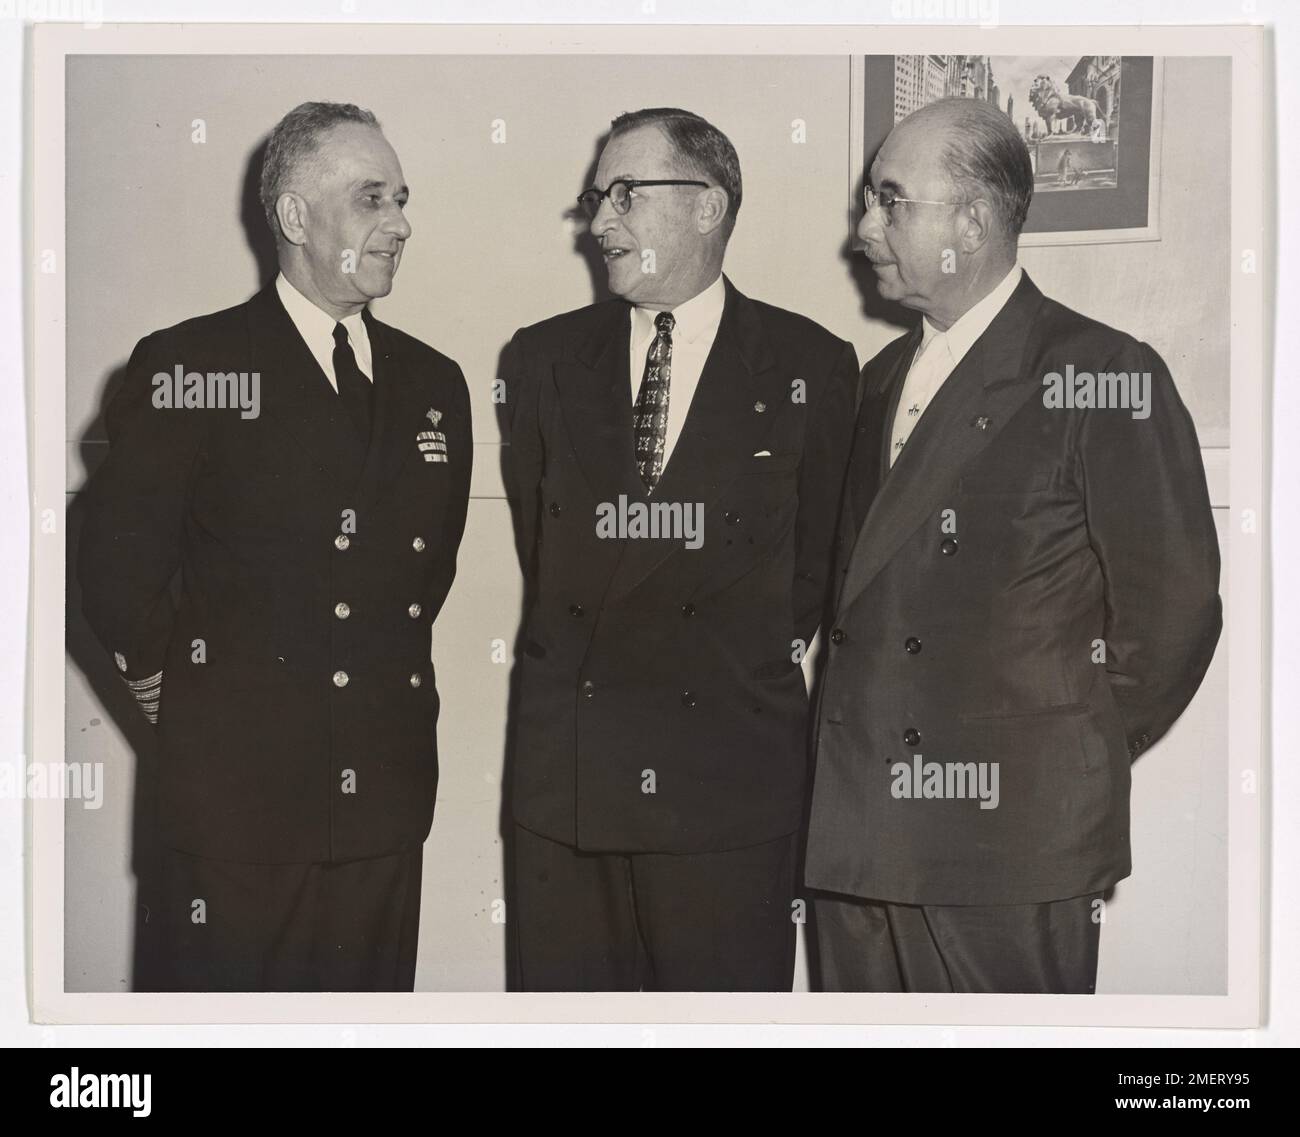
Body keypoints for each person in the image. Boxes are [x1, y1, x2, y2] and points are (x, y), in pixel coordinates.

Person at [805, 97, 1221, 994]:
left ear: (974, 220)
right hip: (859, 838)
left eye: (890, 200)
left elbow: (1176, 610)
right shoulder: (876, 381)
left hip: (1008, 844)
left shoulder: (1103, 373)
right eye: (871, 201)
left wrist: (1058, 754)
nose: (864, 228)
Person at [78, 101, 472, 991]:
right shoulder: (193, 364)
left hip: (382, 803)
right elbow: (113, 564)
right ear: (295, 216)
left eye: (402, 199)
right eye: (371, 198)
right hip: (234, 807)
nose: (400, 224)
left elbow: (424, 573)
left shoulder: (433, 382)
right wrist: (182, 694)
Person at [504, 107, 858, 991]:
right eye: (597, 197)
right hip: (570, 787)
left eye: (626, 194)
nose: (600, 221)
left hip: (727, 794)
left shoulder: (811, 364)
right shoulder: (542, 360)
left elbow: (816, 570)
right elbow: (548, 553)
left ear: (708, 206)